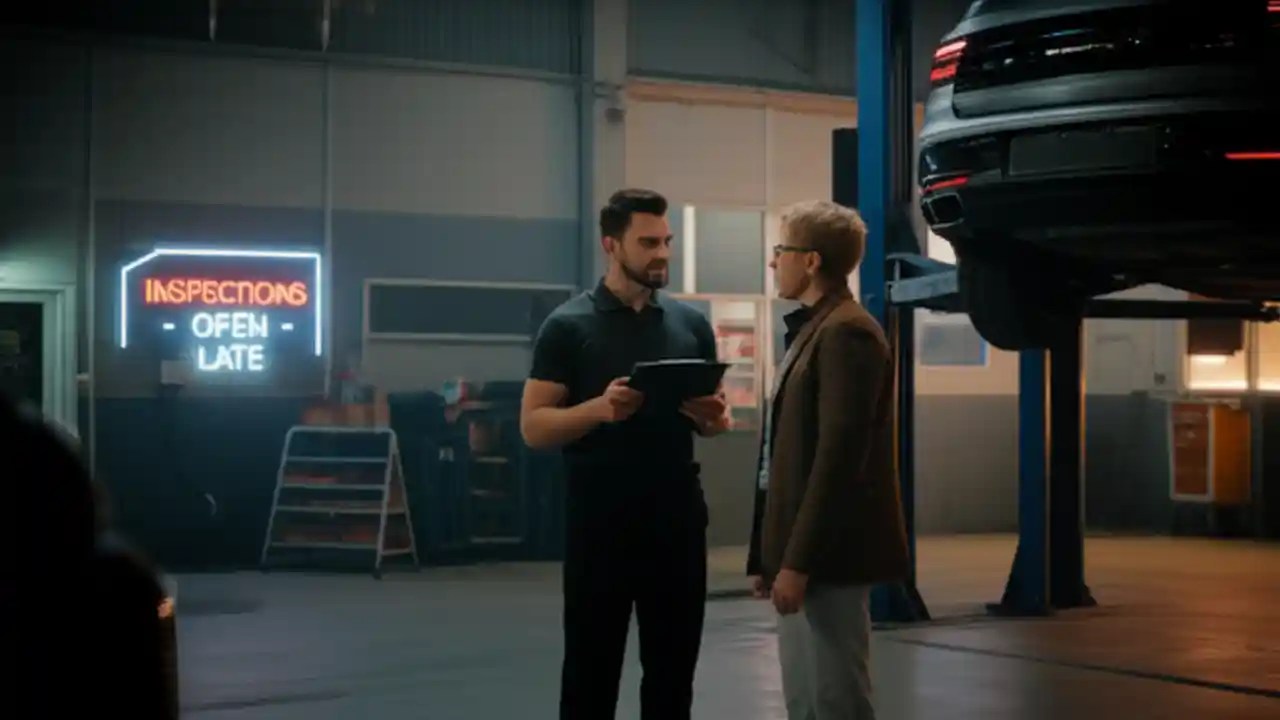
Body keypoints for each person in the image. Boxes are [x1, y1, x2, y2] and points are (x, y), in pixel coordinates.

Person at [520, 188, 731, 720]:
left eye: (666, 241)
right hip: (601, 522)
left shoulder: (690, 325)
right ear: (611, 244)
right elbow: (534, 427)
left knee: (672, 674)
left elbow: (716, 420)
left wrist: (715, 420)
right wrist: (598, 410)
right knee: (592, 673)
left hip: (677, 519)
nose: (662, 253)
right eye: (648, 242)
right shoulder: (567, 326)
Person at [746, 200, 909, 720]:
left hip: (828, 559)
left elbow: (839, 461)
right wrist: (767, 557)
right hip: (801, 557)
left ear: (810, 260)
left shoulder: (848, 333)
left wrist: (798, 561)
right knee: (806, 701)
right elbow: (782, 459)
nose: (773, 262)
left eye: (780, 250)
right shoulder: (814, 330)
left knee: (837, 698)